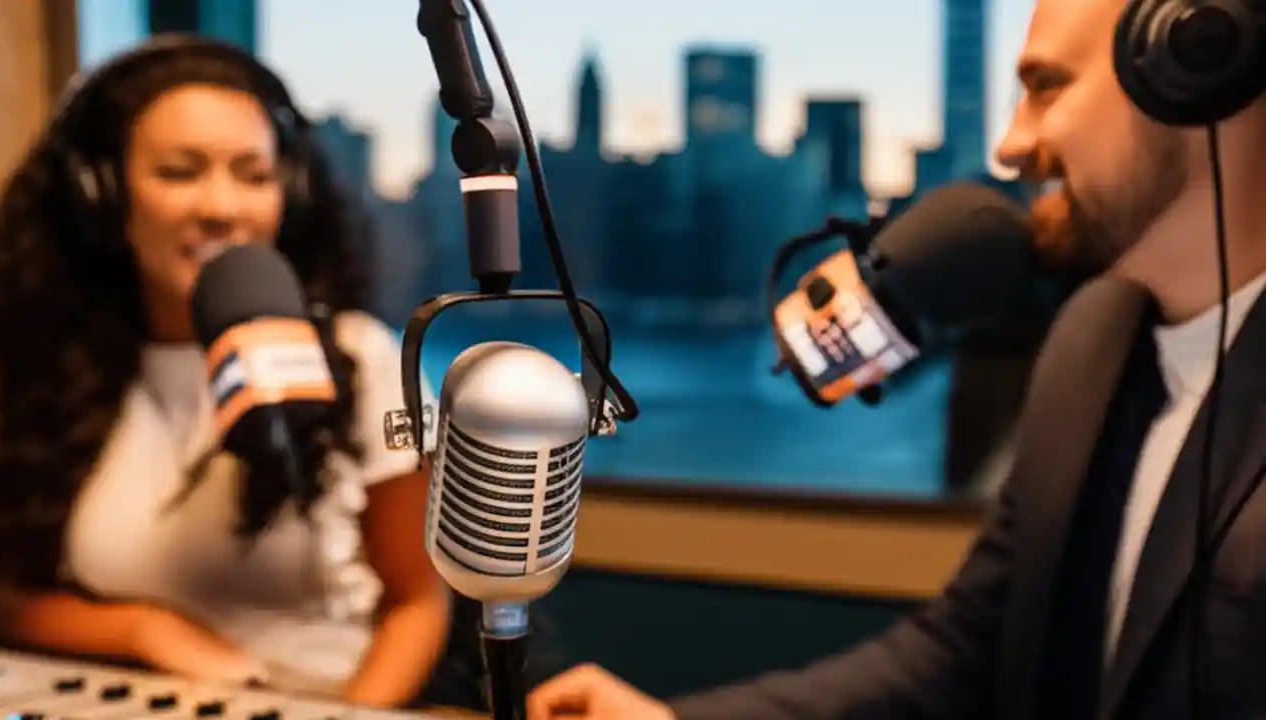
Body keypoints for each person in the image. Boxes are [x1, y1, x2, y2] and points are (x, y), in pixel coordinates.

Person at [527, 0, 1266, 717]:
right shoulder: (1089, 344)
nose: (1012, 143)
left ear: (1196, 64)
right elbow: (962, 654)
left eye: (1046, 88)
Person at [0, 34, 454, 709]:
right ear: (102, 196)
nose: (222, 206)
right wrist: (145, 630)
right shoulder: (57, 362)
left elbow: (418, 601)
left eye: (253, 175)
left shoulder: (360, 358)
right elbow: (2, 597)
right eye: (180, 171)